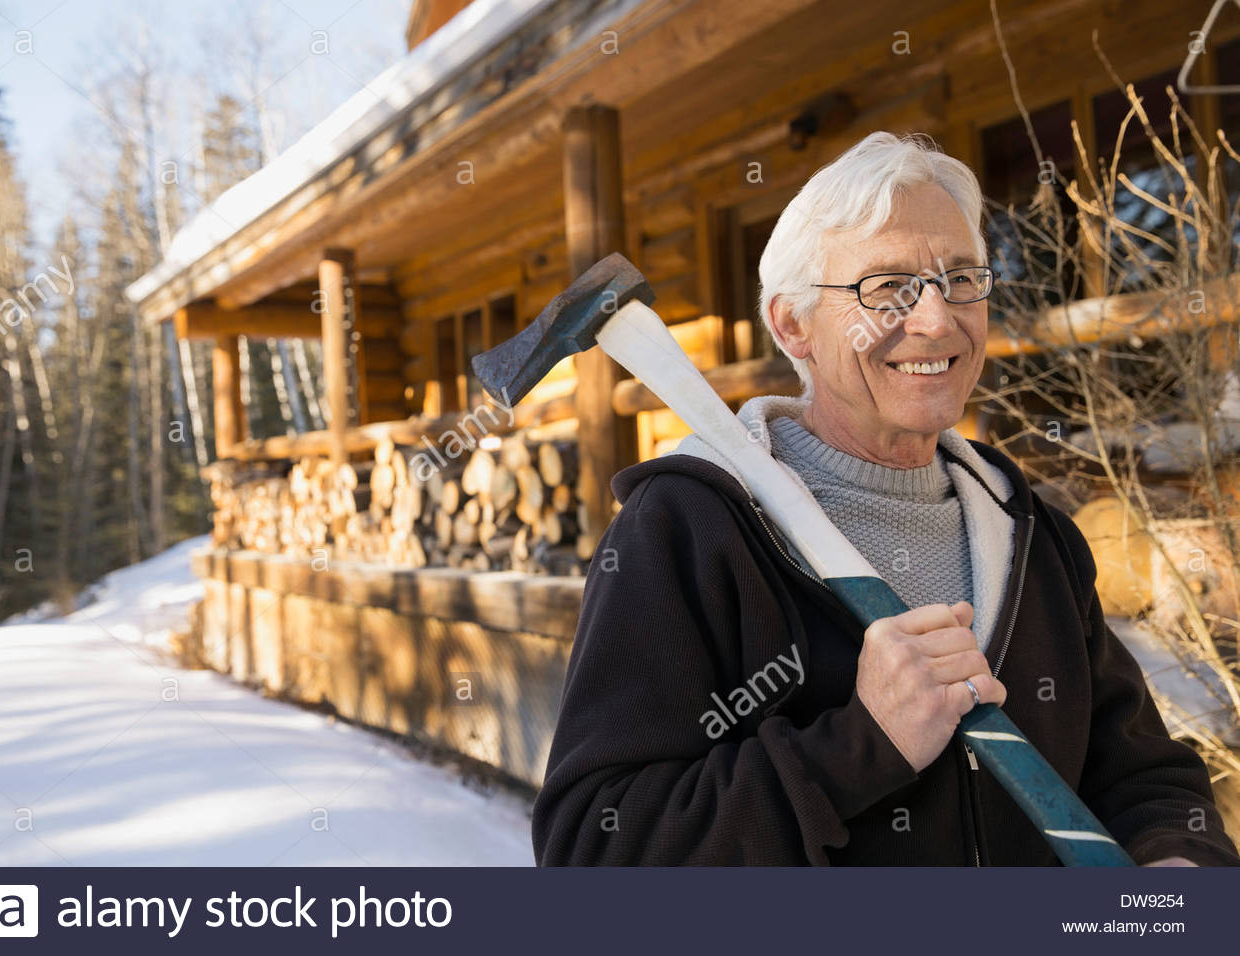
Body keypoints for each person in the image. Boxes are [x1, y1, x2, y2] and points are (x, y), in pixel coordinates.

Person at [530, 131, 1240, 866]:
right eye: (887, 286)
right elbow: (594, 849)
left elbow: (1144, 777)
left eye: (962, 277)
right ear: (792, 324)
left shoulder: (1036, 534)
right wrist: (860, 746)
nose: (937, 319)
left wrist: (1176, 863)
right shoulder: (686, 533)